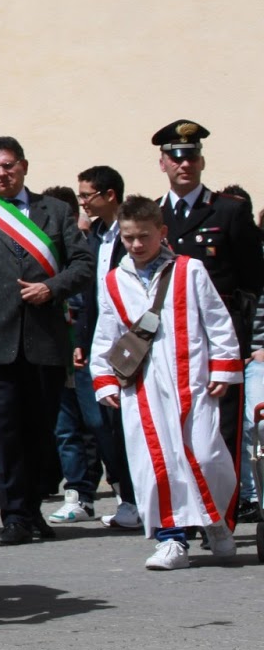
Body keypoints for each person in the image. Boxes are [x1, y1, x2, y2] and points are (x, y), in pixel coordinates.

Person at [0, 137, 93, 547]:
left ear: (24, 167)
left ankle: (32, 510)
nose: (2, 174)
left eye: (8, 166)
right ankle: (14, 515)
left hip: (45, 339)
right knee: (3, 434)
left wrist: (52, 287)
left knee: (39, 432)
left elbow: (83, 264)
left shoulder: (57, 211)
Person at [90, 195, 242, 569]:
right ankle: (171, 540)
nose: (137, 245)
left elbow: (217, 321)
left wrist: (223, 367)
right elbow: (106, 333)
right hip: (141, 388)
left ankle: (217, 522)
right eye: (128, 238)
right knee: (155, 463)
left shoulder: (190, 270)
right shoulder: (114, 280)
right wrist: (105, 379)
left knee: (205, 456)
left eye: (144, 236)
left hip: (193, 382)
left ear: (162, 232)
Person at [156, 120, 264, 528]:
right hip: (172, 338)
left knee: (225, 427)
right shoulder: (155, 215)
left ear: (201, 161)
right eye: (176, 157)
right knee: (177, 424)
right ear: (163, 163)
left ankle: (222, 513)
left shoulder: (229, 211)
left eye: (192, 157)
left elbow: (253, 279)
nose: (185, 164)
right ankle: (185, 512)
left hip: (220, 336)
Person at [75, 165, 139, 529]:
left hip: (130, 343)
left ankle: (138, 496)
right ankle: (125, 494)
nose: (82, 202)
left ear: (109, 195)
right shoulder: (94, 234)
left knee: (127, 424)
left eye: (87, 195)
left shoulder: (130, 232)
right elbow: (91, 293)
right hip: (97, 341)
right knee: (100, 422)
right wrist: (82, 342)